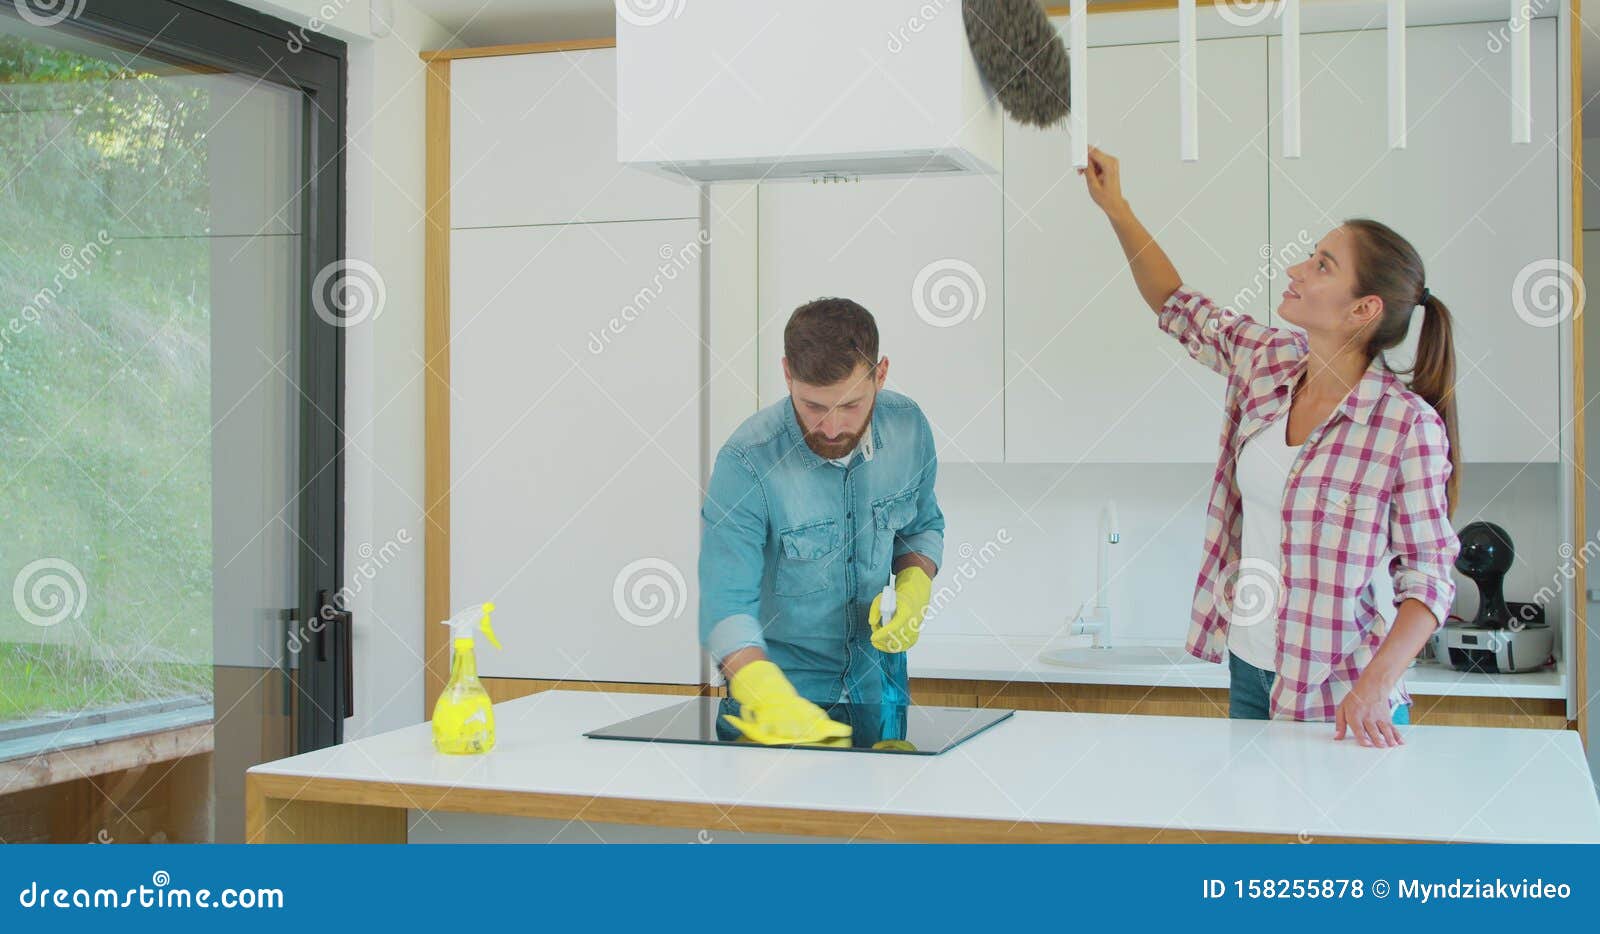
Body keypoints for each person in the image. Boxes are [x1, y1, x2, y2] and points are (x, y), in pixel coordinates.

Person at [1081, 146, 1460, 747]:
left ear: (1364, 309)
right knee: (1255, 836)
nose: (1297, 270)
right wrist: (1116, 208)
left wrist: (1376, 683)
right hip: (1250, 670)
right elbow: (1176, 303)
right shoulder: (1267, 362)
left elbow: (1431, 577)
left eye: (1323, 265)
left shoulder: (1405, 427)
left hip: (1342, 695)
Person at [698, 297, 945, 745]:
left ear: (881, 374)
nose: (831, 428)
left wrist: (915, 585)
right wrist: (763, 690)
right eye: (813, 406)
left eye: (850, 405)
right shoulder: (746, 461)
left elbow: (920, 525)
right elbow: (725, 601)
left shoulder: (909, 428)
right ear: (787, 374)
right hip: (781, 715)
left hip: (878, 700)